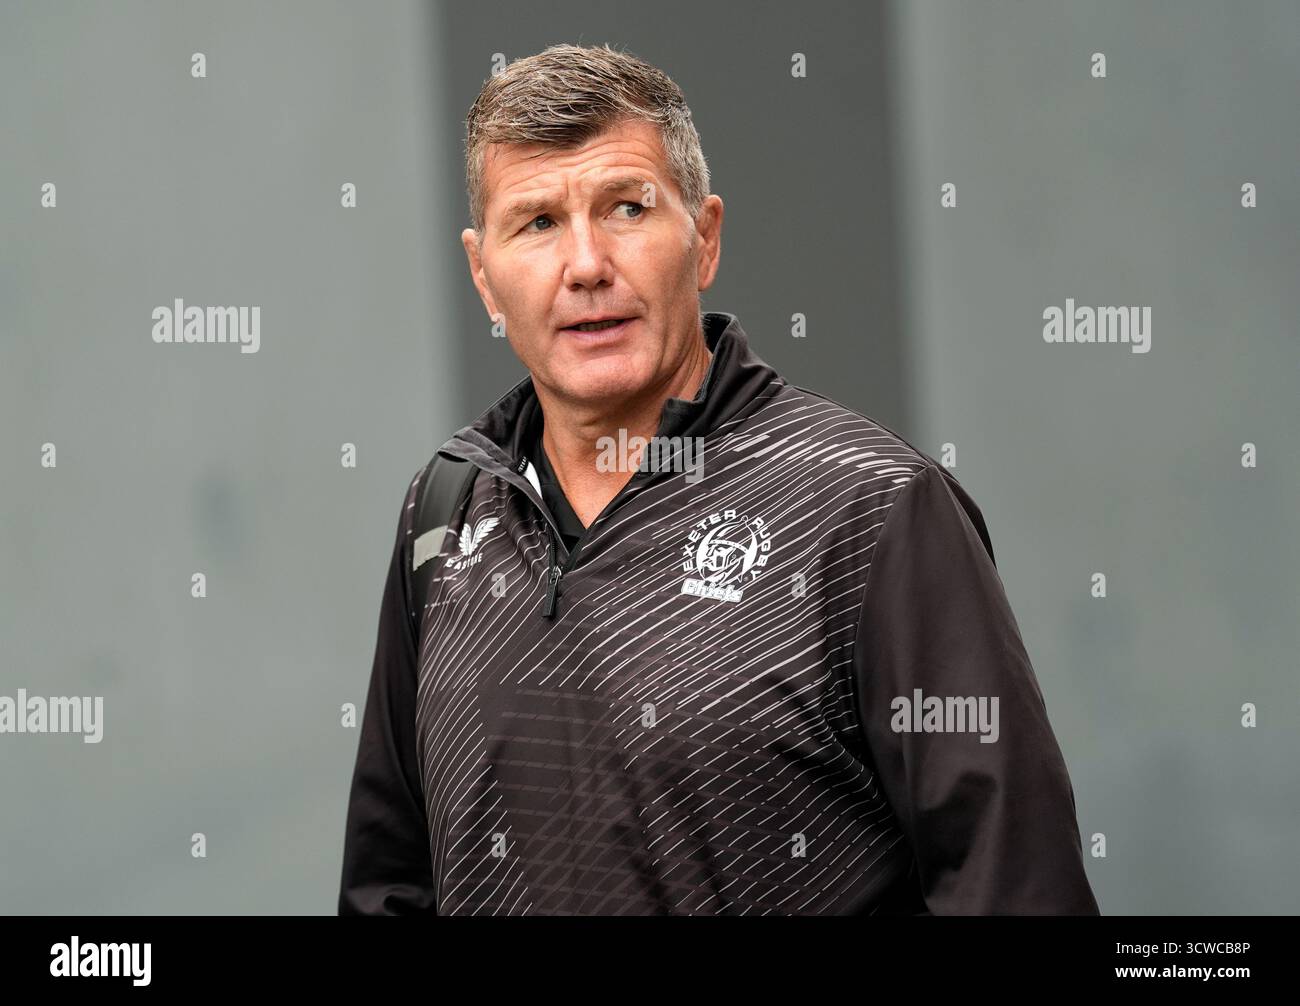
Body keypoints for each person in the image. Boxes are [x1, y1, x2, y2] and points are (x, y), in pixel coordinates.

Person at [338, 42, 1099, 916]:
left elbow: (1016, 886)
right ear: (485, 275)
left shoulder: (872, 510)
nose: (585, 264)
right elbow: (388, 885)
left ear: (704, 239)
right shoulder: (443, 510)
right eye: (538, 223)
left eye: (627, 208)